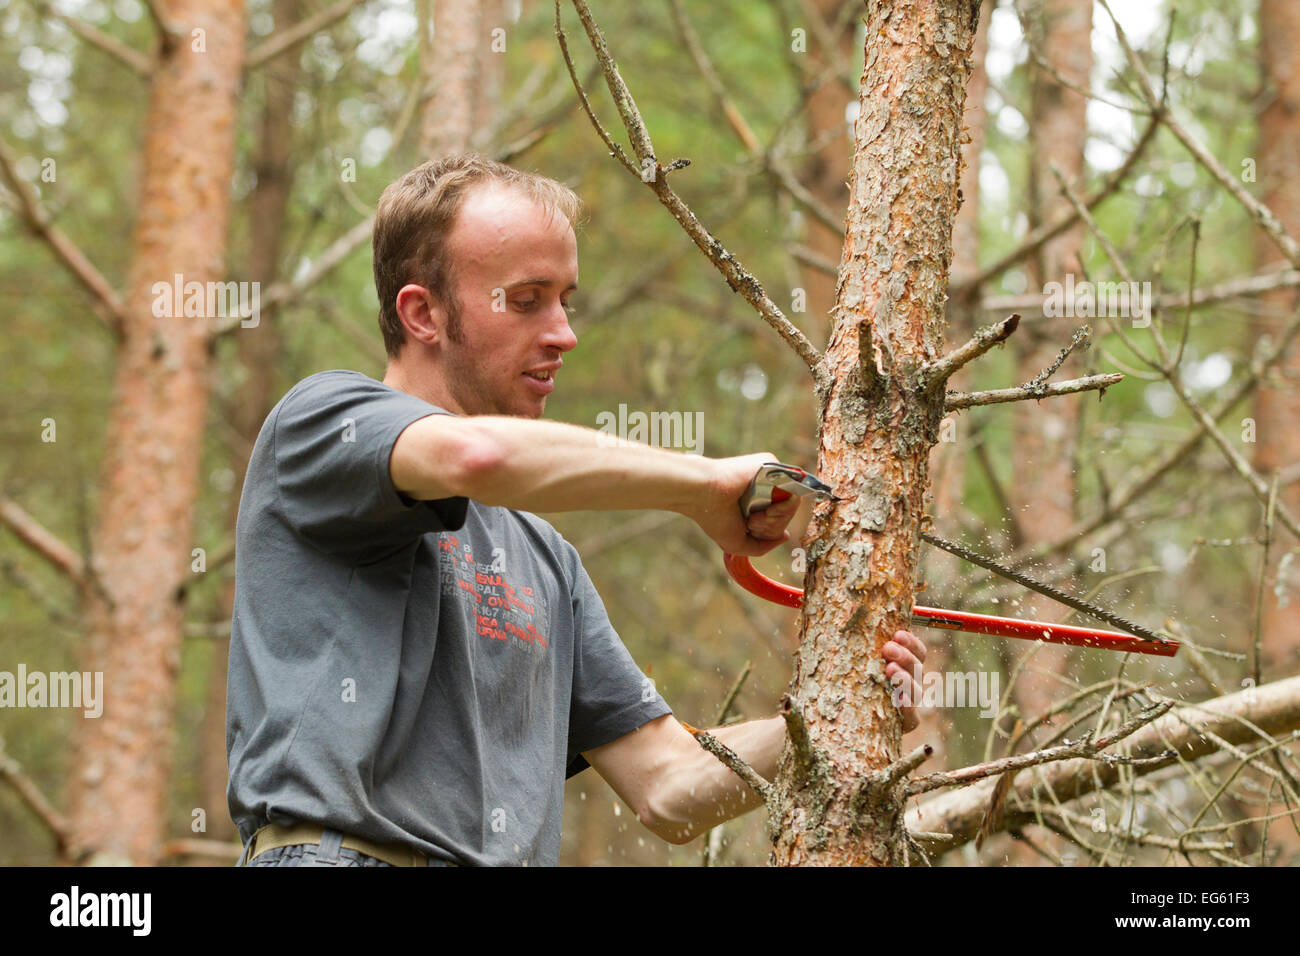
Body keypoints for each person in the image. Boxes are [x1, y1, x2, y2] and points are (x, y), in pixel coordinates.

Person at [225, 154, 927, 867]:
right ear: (423, 313)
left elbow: (668, 787)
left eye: (566, 299)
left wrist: (835, 717)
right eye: (527, 300)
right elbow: (477, 459)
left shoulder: (546, 562)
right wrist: (703, 485)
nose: (564, 333)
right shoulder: (323, 423)